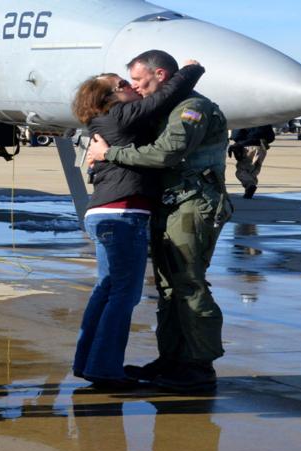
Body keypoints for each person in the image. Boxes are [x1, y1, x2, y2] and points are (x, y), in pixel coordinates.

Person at [85, 50, 232, 394]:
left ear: (160, 75)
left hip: (194, 203)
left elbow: (167, 153)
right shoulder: (166, 108)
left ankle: (199, 365)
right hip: (171, 204)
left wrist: (109, 154)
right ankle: (172, 358)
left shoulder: (192, 108)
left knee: (188, 282)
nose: (135, 87)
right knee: (168, 287)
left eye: (138, 80)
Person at [228, 125, 275, 199]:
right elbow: (271, 137)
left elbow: (236, 135)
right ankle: (249, 190)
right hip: (261, 148)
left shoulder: (245, 120)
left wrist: (241, 142)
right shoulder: (264, 121)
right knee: (254, 170)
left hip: (247, 147)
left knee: (241, 171)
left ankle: (250, 186)